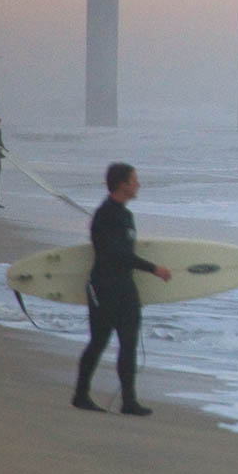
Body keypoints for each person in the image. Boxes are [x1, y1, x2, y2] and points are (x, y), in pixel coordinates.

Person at [74, 163, 171, 415]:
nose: (138, 185)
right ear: (122, 184)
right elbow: (117, 254)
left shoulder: (126, 216)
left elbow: (125, 253)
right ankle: (80, 395)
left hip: (125, 287)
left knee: (129, 343)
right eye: (134, 180)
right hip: (103, 287)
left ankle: (129, 401)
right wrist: (154, 269)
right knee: (99, 342)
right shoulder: (105, 215)